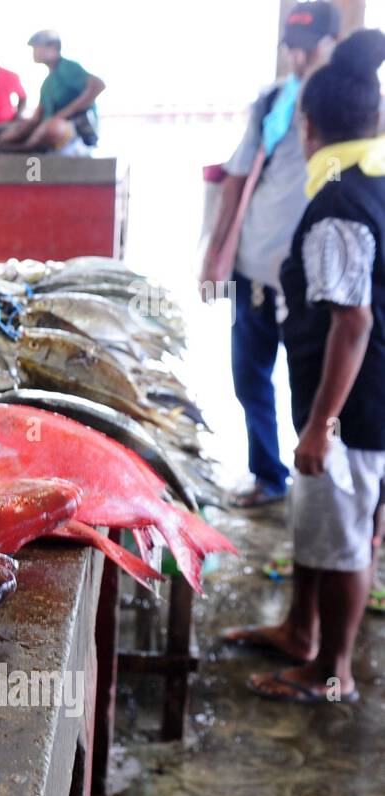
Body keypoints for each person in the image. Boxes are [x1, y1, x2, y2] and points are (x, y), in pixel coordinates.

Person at [224, 28, 385, 705]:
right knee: (322, 521)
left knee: (345, 539)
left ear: (309, 127)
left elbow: (353, 321)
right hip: (352, 397)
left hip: (350, 408)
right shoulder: (372, 178)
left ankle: (330, 671)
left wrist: (322, 426)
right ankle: (299, 629)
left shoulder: (336, 204)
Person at [201, 2, 341, 507]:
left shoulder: (350, 107)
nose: (298, 55)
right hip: (256, 266)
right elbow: (237, 179)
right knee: (250, 377)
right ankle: (268, 474)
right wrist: (216, 254)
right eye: (291, 44)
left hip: (318, 279)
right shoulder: (273, 102)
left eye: (309, 44)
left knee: (316, 385)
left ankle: (321, 482)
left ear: (332, 44)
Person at [0, 30, 103, 154]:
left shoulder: (67, 67)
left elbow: (98, 85)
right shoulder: (47, 83)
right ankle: (9, 145)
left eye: (37, 47)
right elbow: (36, 118)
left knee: (53, 127)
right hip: (48, 129)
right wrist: (14, 132)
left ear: (54, 47)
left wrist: (64, 114)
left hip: (75, 131)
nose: (34, 52)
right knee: (14, 130)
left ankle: (27, 147)